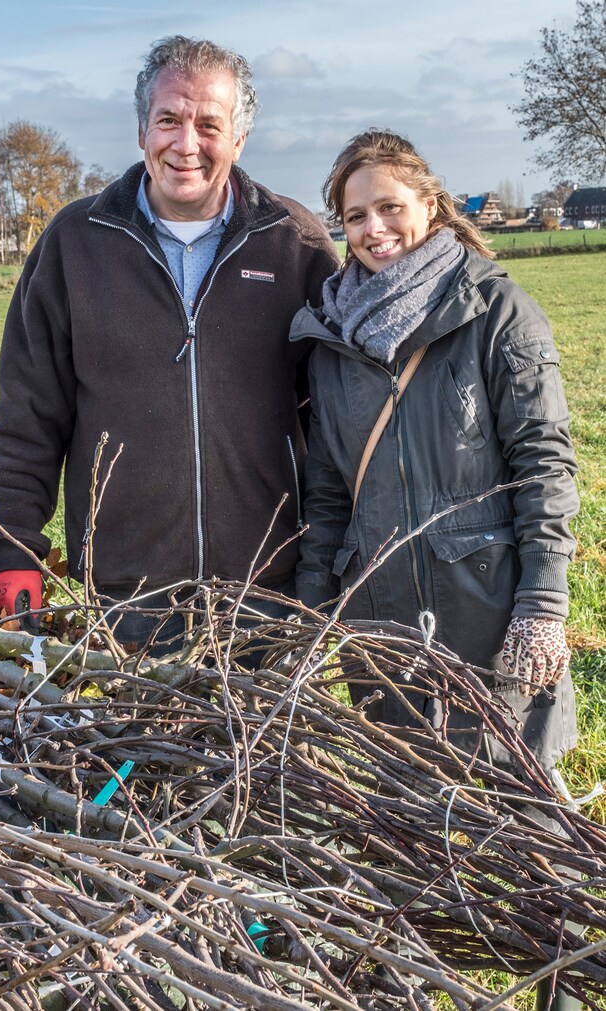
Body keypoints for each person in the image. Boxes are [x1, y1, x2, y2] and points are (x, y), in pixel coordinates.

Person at [290, 130, 580, 1011]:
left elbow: (544, 464)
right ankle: (414, 985)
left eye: (390, 208)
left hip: (490, 620)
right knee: (405, 822)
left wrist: (542, 603)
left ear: (431, 205)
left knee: (531, 827)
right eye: (355, 217)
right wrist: (307, 621)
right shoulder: (332, 341)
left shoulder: (495, 312)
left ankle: (566, 984)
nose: (375, 230)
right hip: (381, 630)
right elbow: (330, 502)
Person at [0, 36, 339, 644]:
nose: (187, 143)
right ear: (141, 129)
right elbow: (29, 408)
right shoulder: (76, 242)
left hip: (269, 585)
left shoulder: (294, 242)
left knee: (261, 744)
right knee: (136, 742)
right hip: (126, 591)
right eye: (168, 120)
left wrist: (327, 557)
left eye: (209, 124)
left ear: (239, 138)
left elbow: (339, 414)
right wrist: (16, 544)